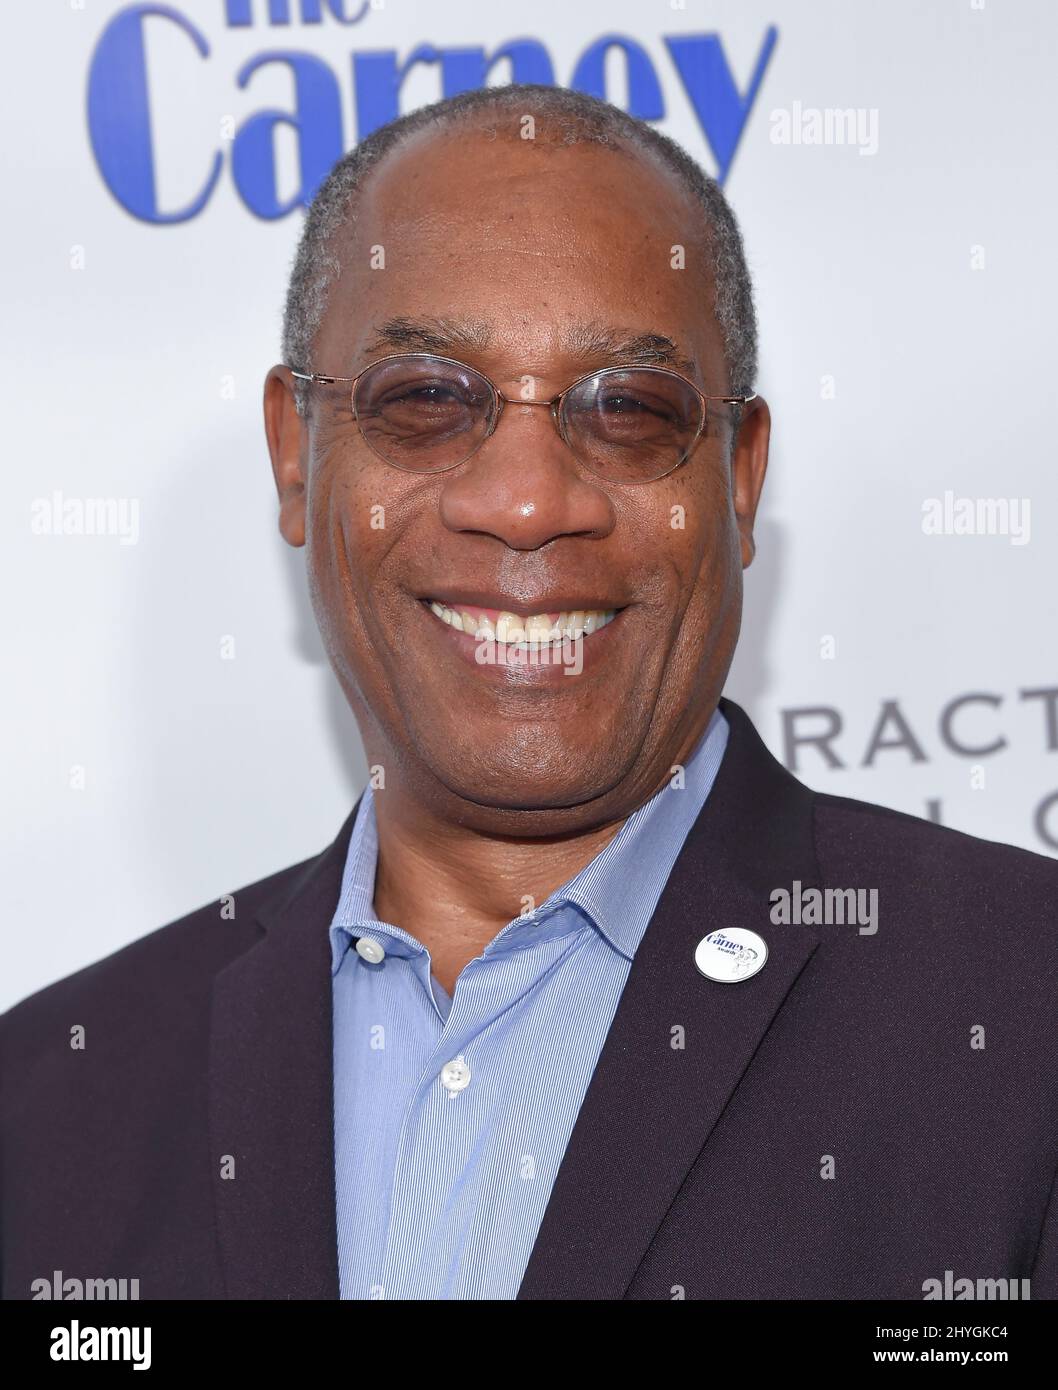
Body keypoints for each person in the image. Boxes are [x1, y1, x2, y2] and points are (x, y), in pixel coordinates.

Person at [3, 85, 1056, 1303]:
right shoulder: (47, 1112)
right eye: (426, 399)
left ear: (739, 475)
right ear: (295, 454)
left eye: (626, 410)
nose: (522, 498)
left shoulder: (1018, 1014)